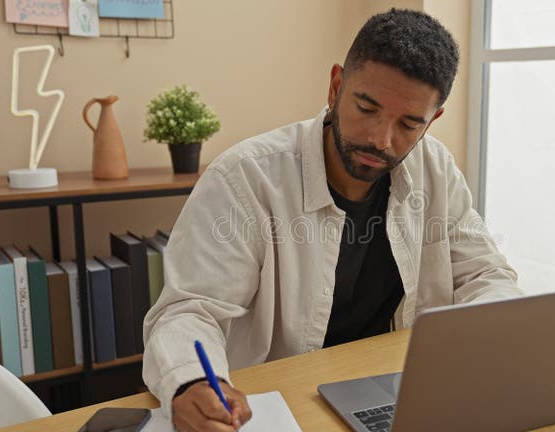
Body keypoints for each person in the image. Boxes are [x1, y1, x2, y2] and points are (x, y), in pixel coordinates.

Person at [142, 8, 520, 432]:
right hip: (280, 406)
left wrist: (493, 339)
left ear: (433, 119)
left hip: (391, 392)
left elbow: (485, 273)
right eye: (367, 107)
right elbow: (188, 311)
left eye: (409, 124)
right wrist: (189, 381)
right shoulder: (244, 178)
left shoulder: (436, 169)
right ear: (336, 86)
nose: (381, 139)